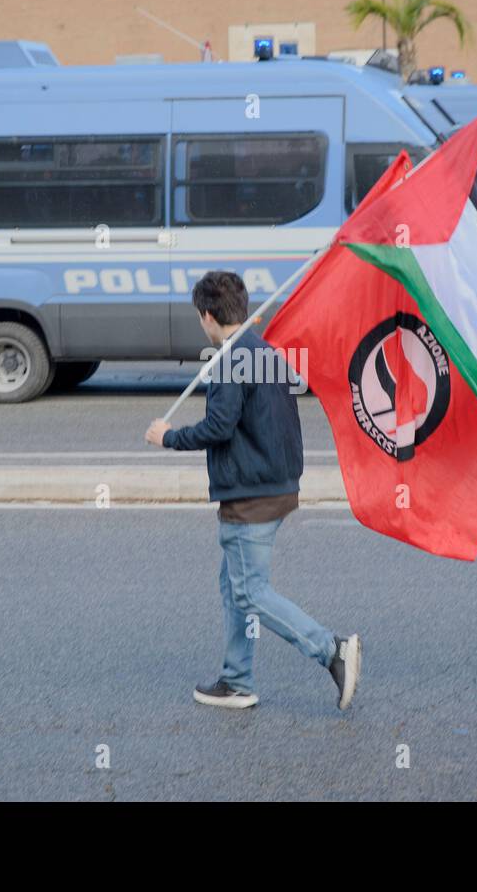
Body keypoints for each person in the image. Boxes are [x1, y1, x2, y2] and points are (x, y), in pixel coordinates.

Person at [145, 270, 362, 711]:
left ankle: (331, 650)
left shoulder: (230, 360)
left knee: (249, 591)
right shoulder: (265, 353)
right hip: (277, 486)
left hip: (249, 497)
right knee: (234, 586)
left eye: (200, 316)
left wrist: (167, 437)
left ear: (207, 316)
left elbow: (218, 427)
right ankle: (236, 680)